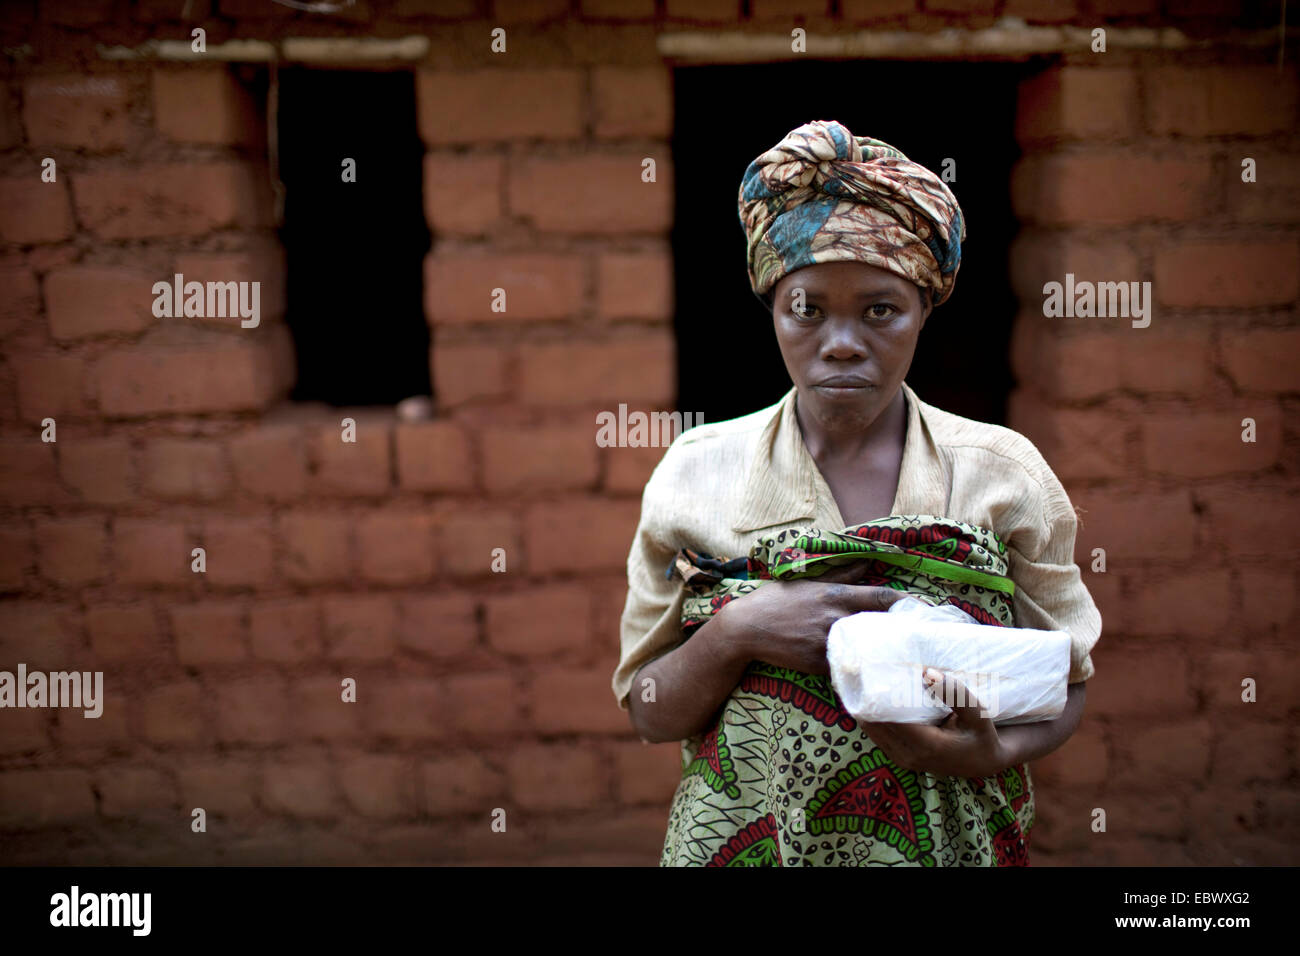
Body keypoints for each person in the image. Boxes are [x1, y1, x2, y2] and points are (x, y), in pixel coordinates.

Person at [611, 119, 1102, 867]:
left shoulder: (1003, 474)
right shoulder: (696, 472)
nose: (841, 341)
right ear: (774, 308)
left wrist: (987, 754)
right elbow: (650, 711)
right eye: (807, 309)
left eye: (880, 310)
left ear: (924, 312)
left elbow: (1064, 680)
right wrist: (740, 631)